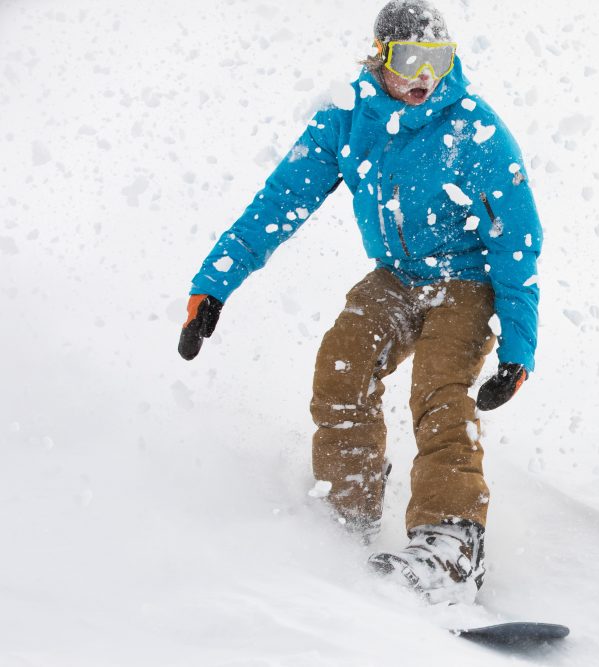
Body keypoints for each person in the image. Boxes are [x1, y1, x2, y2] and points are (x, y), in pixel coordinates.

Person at [178, 0, 542, 606]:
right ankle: (346, 514)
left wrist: (518, 348)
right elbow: (277, 205)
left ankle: (452, 545)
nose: (425, 76)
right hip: (396, 278)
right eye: (409, 59)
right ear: (379, 59)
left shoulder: (478, 130)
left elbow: (517, 244)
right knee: (341, 364)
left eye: (438, 59)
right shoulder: (346, 121)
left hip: (467, 282)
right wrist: (214, 284)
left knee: (438, 389)